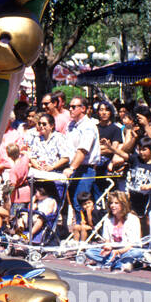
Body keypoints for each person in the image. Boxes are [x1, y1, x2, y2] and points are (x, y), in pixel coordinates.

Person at [64, 96, 101, 241]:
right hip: (73, 168)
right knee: (74, 204)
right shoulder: (71, 125)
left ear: (83, 109)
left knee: (82, 203)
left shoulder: (88, 126)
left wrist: (71, 168)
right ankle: (77, 236)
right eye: (70, 106)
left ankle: (85, 238)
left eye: (74, 107)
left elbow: (83, 150)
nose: (70, 109)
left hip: (85, 169)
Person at [83, 192, 144, 270]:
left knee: (137, 253)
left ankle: (114, 263)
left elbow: (132, 244)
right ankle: (121, 264)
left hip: (127, 250)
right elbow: (107, 240)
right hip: (113, 251)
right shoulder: (108, 219)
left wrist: (119, 252)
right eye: (111, 203)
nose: (112, 206)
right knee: (89, 252)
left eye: (116, 203)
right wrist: (107, 247)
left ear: (123, 204)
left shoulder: (133, 219)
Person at [124, 134, 151, 235]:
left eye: (144, 149)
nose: (141, 152)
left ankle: (148, 238)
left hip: (149, 196)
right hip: (135, 195)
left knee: (147, 219)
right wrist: (110, 147)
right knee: (135, 218)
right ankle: (139, 240)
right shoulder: (135, 160)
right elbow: (122, 154)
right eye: (140, 149)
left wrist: (150, 186)